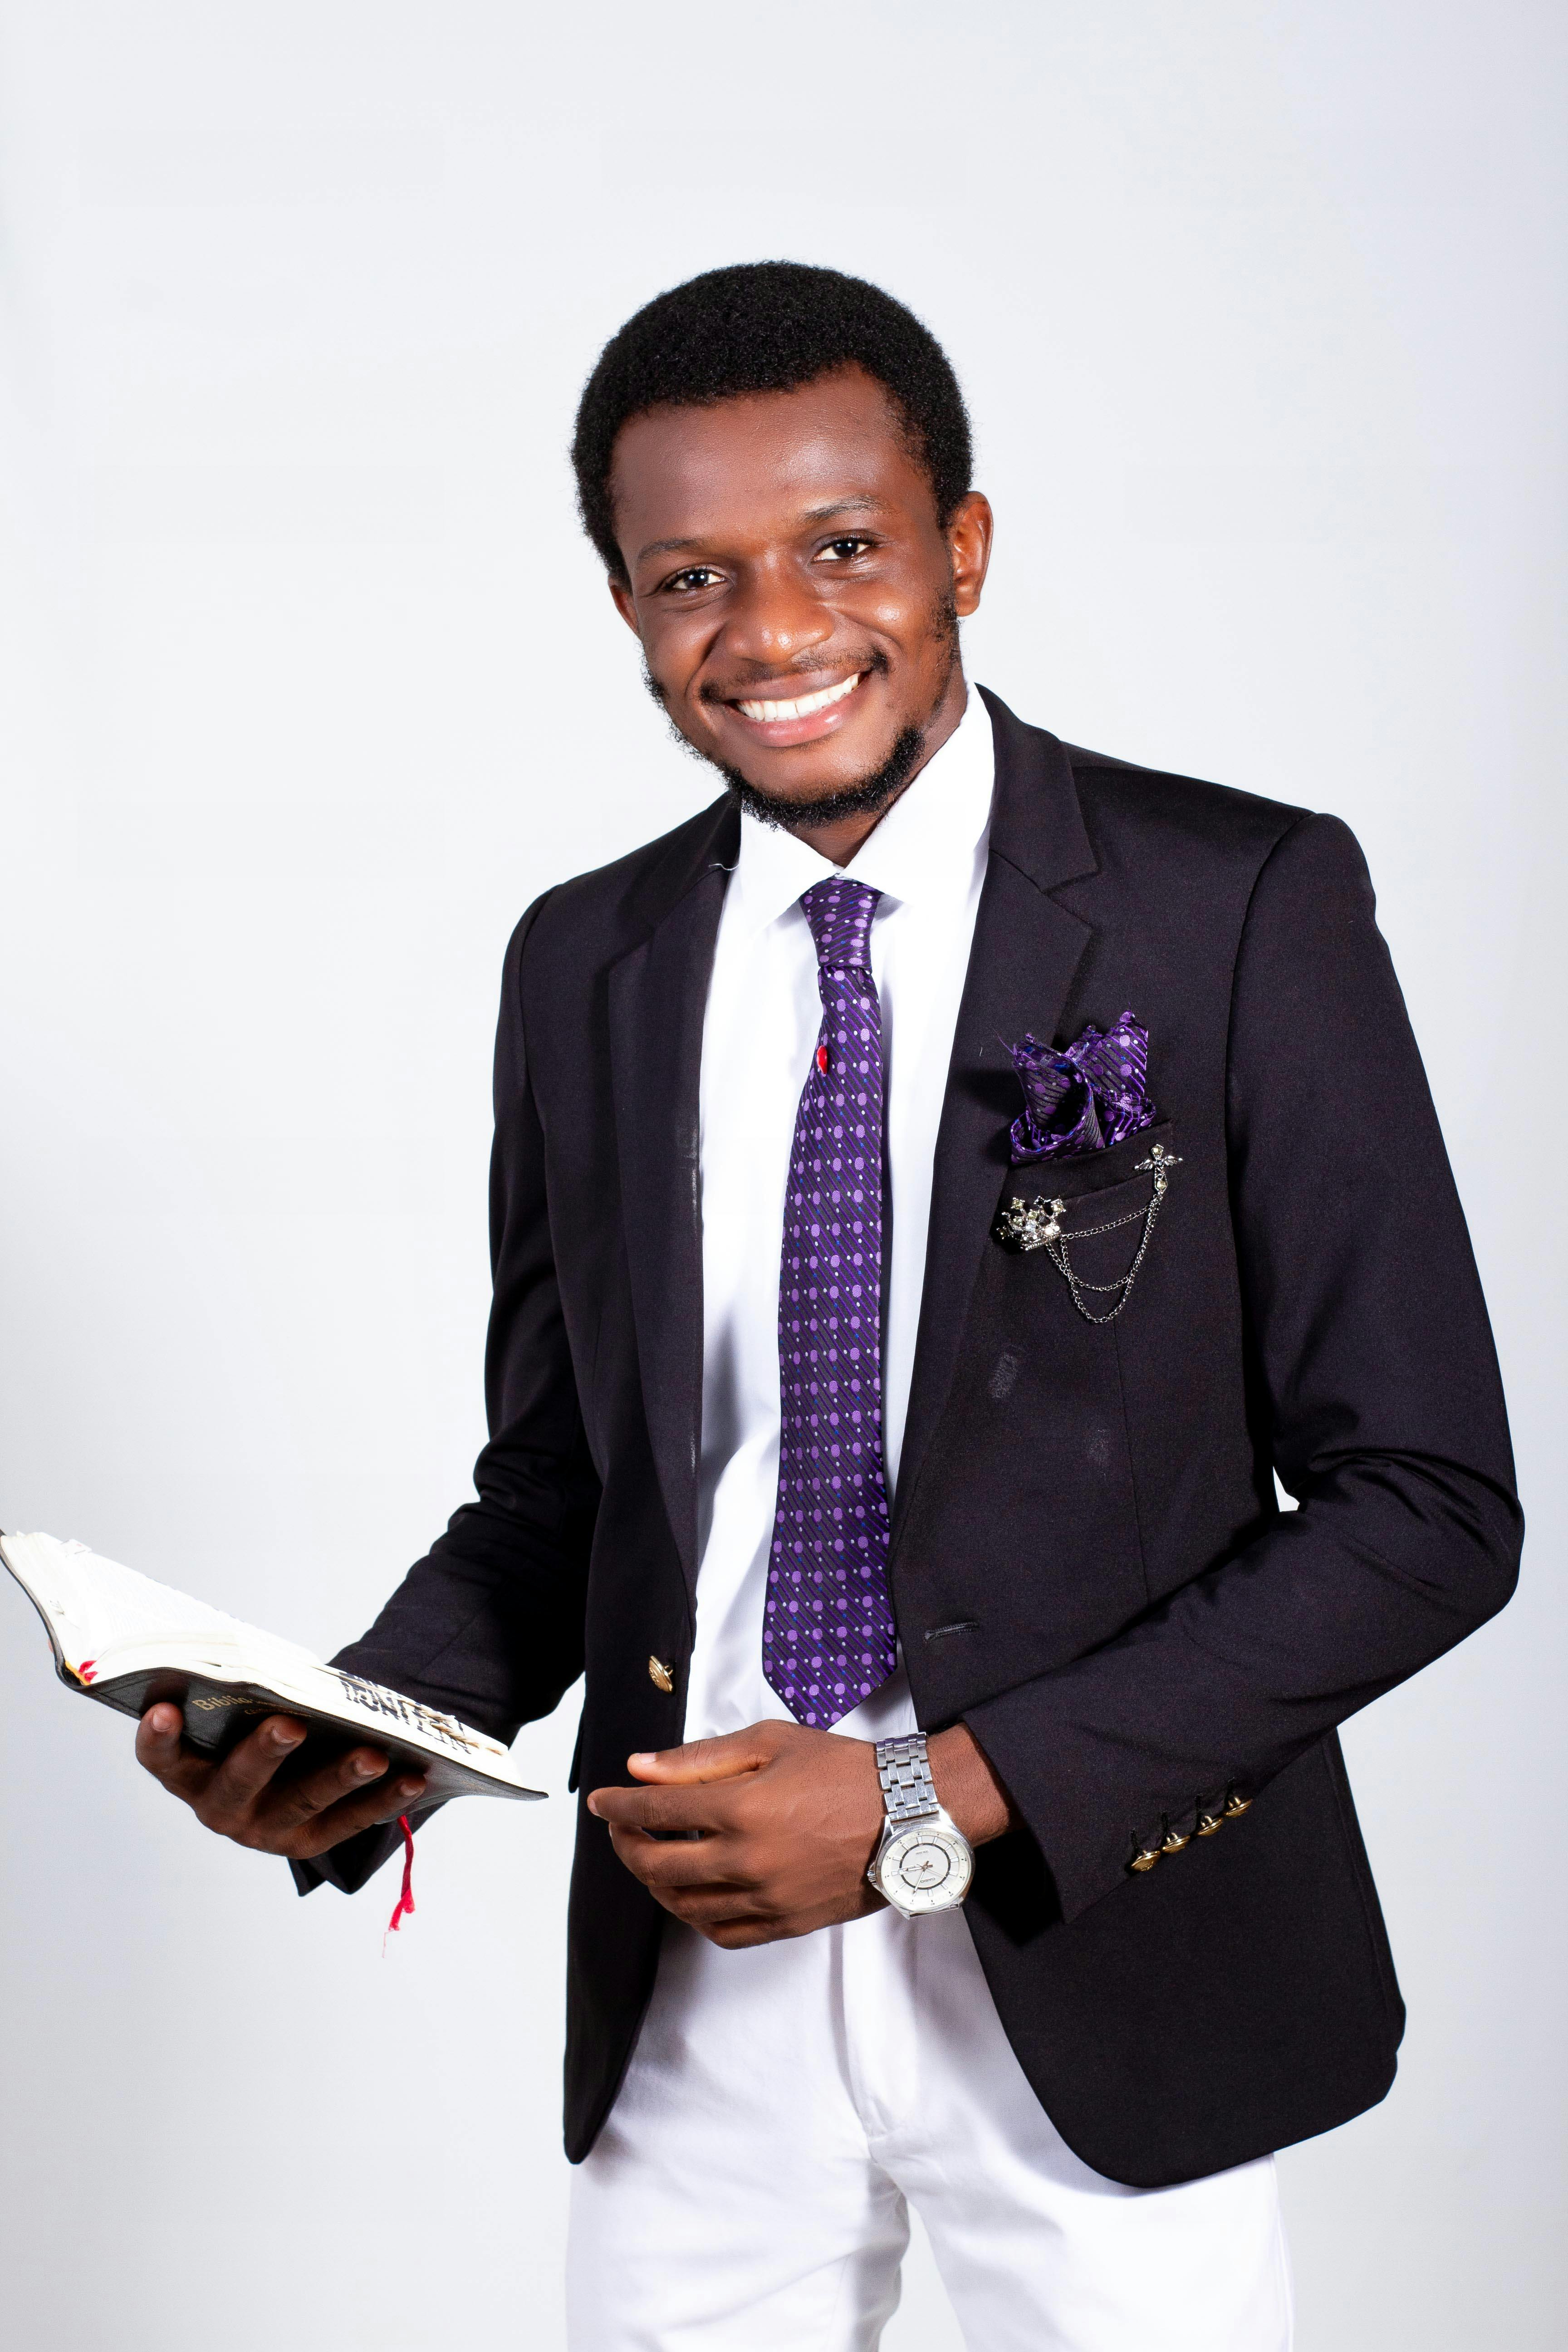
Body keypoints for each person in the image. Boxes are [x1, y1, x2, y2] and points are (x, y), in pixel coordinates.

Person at [135, 262, 1522, 2350]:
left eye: (842, 548)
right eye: (689, 575)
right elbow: (567, 1483)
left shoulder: (1235, 904)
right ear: (625, 608)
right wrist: (370, 1730)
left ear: (963, 546)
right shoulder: (584, 961)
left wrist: (918, 1800)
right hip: (704, 1975)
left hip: (1102, 1943)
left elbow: (1429, 1505)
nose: (772, 631)